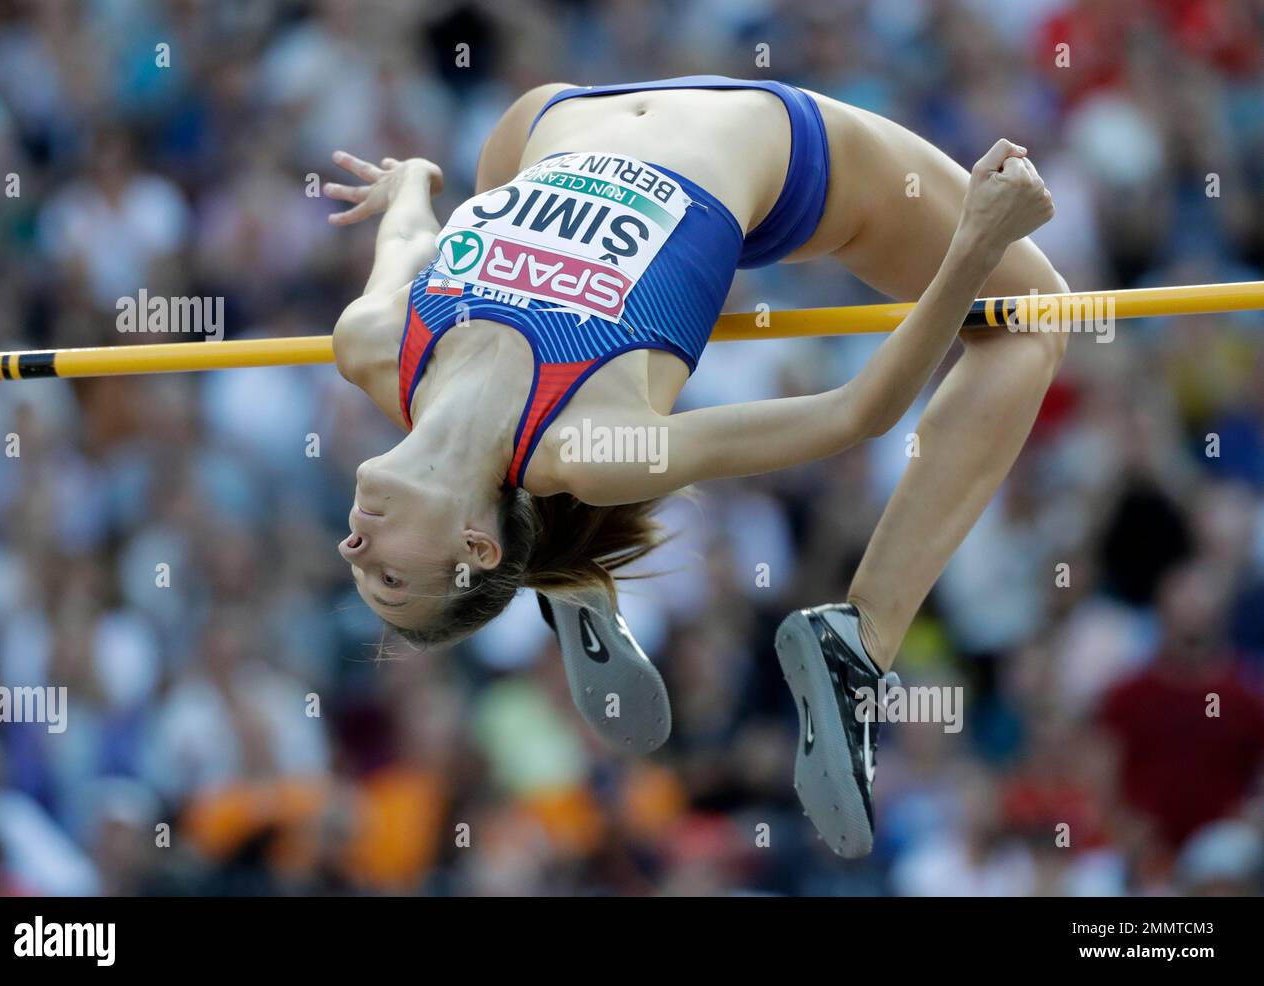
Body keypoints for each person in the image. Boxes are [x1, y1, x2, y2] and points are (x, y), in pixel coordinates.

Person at [327, 77, 1064, 856]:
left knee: (550, 469)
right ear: (477, 547)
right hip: (759, 146)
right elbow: (854, 413)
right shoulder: (588, 445)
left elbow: (408, 241)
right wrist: (977, 242)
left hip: (544, 124)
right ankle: (865, 634)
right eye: (390, 579)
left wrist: (407, 184)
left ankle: (571, 567)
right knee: (1033, 316)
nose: (353, 551)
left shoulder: (370, 346)